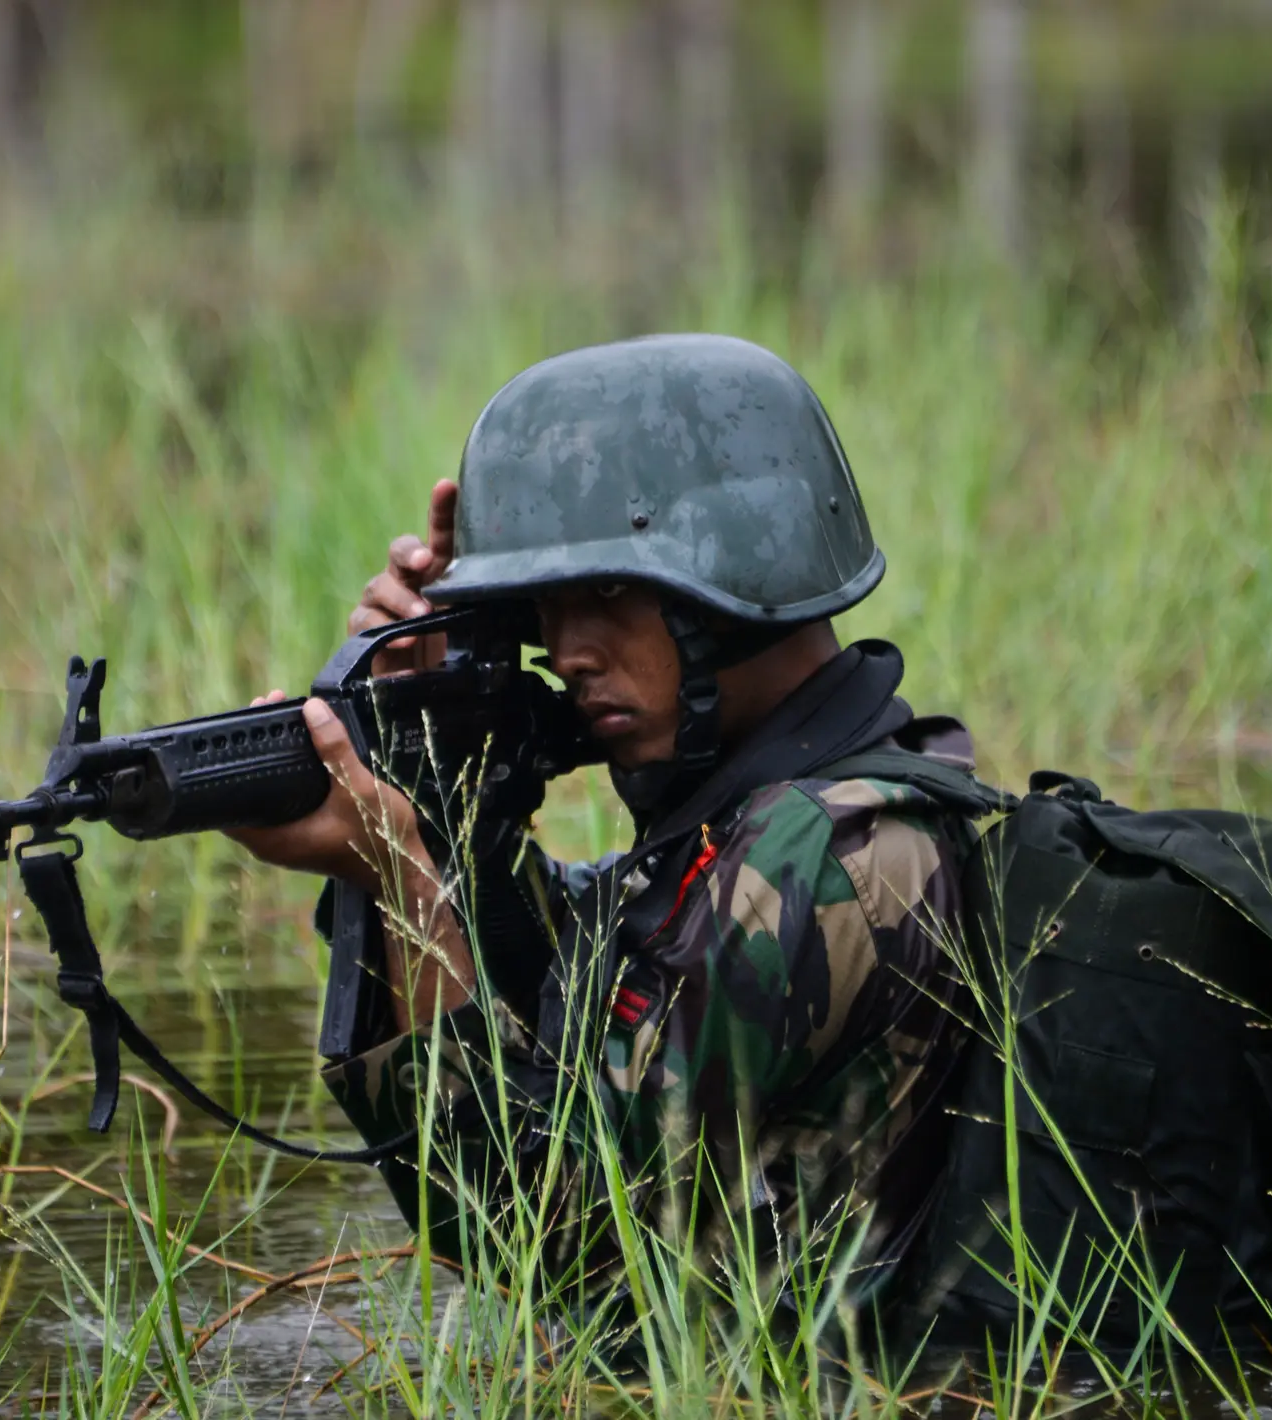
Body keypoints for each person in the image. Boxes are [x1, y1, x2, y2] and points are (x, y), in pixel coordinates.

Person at [226, 333, 979, 1320]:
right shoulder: (741, 828)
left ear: (740, 573)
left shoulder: (835, 857)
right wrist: (434, 776)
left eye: (611, 593)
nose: (568, 651)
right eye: (543, 607)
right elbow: (564, 986)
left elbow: (555, 1235)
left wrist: (405, 884)